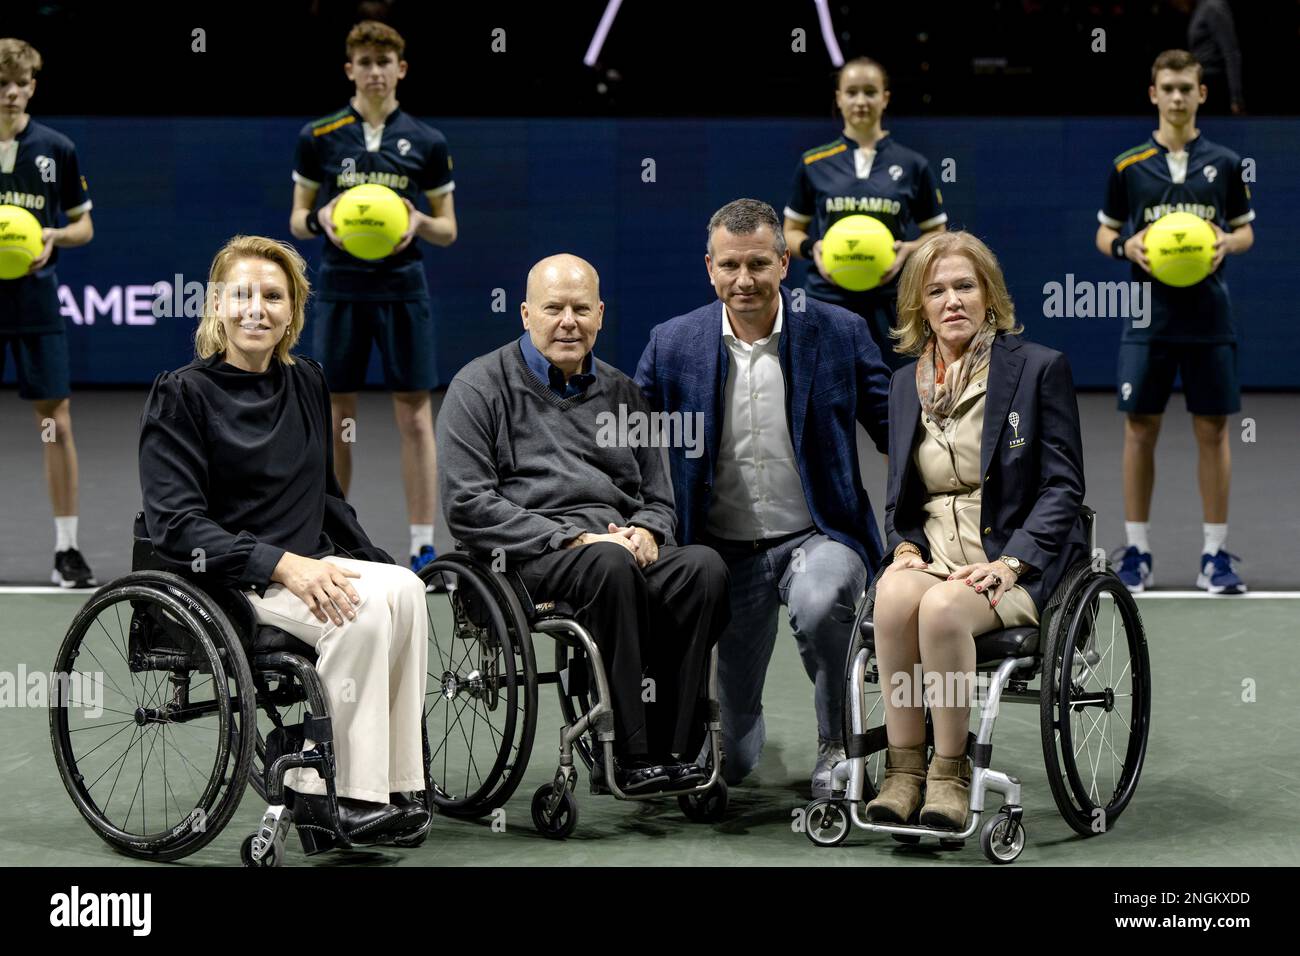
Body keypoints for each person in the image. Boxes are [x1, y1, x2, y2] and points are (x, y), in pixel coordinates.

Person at [139, 235, 429, 847]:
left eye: (274, 297)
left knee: (403, 589)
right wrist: (281, 565)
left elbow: (325, 497)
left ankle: (395, 786)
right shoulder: (182, 393)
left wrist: (374, 560)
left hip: (305, 567)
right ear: (216, 305)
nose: (257, 309)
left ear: (292, 311)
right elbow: (176, 524)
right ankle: (327, 794)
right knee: (364, 607)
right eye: (242, 294)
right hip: (231, 581)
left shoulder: (308, 382)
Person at [438, 254, 731, 794]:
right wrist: (572, 537)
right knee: (608, 563)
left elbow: (659, 501)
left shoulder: (624, 394)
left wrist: (647, 530)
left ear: (600, 314)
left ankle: (680, 748)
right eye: (553, 308)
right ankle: (627, 752)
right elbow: (467, 504)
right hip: (526, 558)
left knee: (703, 568)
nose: (567, 321)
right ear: (526, 314)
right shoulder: (478, 387)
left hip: (612, 550)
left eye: (580, 309)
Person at [635, 199, 891, 798]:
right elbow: (630, 446)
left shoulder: (840, 331)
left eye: (757, 264)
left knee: (823, 597)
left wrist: (913, 531)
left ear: (783, 263)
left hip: (816, 536)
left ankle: (838, 746)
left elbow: (897, 437)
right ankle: (732, 738)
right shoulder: (672, 344)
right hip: (723, 553)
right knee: (736, 763)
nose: (743, 280)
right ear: (709, 268)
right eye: (729, 265)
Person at [868, 230, 1087, 829]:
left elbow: (1064, 487)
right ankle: (903, 768)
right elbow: (899, 501)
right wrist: (906, 545)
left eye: (965, 286)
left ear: (989, 293)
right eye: (935, 291)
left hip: (1011, 563)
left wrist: (1011, 562)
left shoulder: (1039, 369)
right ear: (919, 306)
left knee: (941, 610)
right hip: (937, 553)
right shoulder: (904, 383)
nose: (952, 300)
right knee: (892, 596)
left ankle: (949, 769)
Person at [289, 20, 457, 581]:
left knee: (414, 415)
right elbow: (297, 218)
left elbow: (448, 230)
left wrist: (419, 219)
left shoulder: (427, 141)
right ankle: (332, 532)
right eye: (365, 62)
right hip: (340, 287)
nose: (376, 72)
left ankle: (422, 544)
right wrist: (323, 219)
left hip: (403, 289)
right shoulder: (319, 135)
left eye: (385, 62)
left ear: (401, 69)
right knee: (338, 416)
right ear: (350, 69)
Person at [1094, 49, 1255, 594]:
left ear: (1201, 94)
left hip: (1209, 316)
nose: (1179, 97)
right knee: (1140, 428)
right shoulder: (1127, 166)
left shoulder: (1227, 164)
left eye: (1188, 87)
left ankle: (1215, 556)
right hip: (1148, 318)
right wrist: (1125, 245)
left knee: (1213, 429)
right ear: (1154, 94)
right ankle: (1137, 551)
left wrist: (1226, 242)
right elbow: (1104, 233)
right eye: (1169, 87)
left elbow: (1245, 232)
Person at [0, 38, 97, 587]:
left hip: (35, 295)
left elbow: (85, 225)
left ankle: (67, 550)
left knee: (54, 423)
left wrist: (55, 234)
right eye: (2, 84)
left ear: (33, 85)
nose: (12, 93)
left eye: (21, 83)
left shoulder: (56, 147)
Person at [783, 56, 947, 373]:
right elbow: (789, 232)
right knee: (825, 399)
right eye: (852, 92)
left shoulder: (913, 164)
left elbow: (939, 234)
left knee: (893, 403)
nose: (861, 101)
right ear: (839, 98)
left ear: (885, 98)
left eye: (870, 92)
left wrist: (908, 250)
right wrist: (811, 248)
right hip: (827, 300)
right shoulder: (814, 162)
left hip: (892, 303)